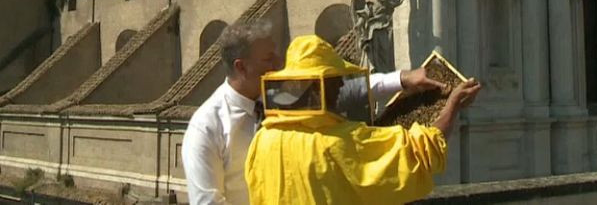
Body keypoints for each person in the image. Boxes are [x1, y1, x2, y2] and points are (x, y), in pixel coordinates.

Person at [182, 21, 444, 205]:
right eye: (269, 59)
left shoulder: (285, 96)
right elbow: (207, 202)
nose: (279, 65)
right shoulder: (205, 127)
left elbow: (343, 90)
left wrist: (402, 79)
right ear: (242, 67)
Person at [245, 35, 481, 205]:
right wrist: (452, 106)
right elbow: (421, 154)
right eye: (338, 82)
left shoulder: (261, 141)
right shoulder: (340, 144)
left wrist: (401, 81)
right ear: (322, 86)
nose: (341, 88)